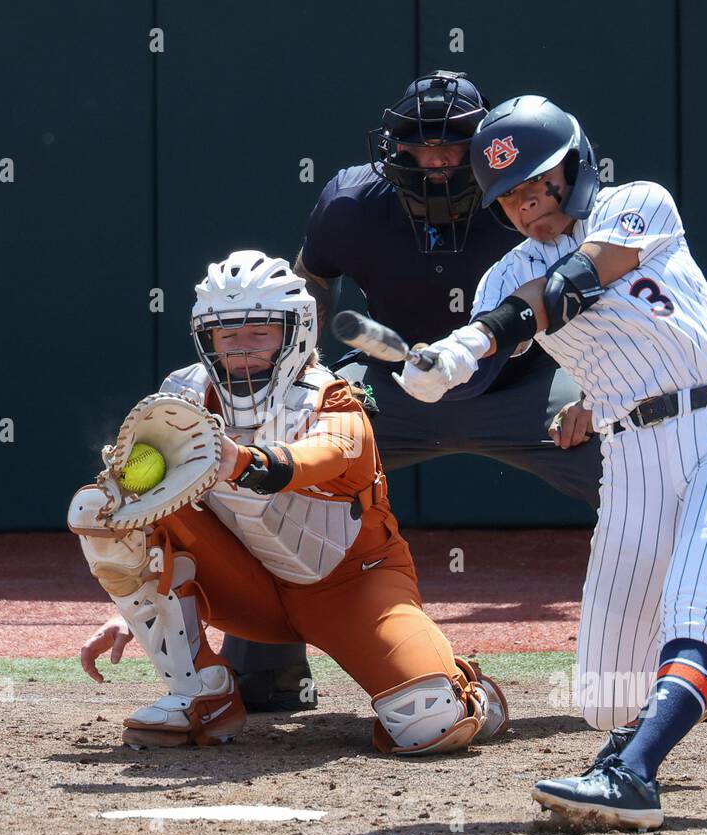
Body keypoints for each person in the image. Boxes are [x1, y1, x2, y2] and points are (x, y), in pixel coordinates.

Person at [395, 96, 707, 828]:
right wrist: (438, 367)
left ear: (574, 168)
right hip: (634, 456)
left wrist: (478, 337)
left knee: (689, 612)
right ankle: (647, 722)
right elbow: (490, 354)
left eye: (537, 183)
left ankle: (635, 776)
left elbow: (577, 282)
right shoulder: (503, 276)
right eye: (509, 194)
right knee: (607, 692)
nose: (524, 203)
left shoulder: (639, 204)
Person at [220, 70, 615, 713]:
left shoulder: (538, 199)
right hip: (392, 391)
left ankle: (684, 667)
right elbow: (312, 279)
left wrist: (601, 395)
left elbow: (610, 297)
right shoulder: (350, 203)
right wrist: (304, 378)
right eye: (417, 143)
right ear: (392, 146)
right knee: (274, 469)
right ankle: (264, 667)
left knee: (639, 467)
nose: (434, 159)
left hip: (529, 385)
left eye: (454, 144)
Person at [68, 249, 509, 755]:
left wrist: (241, 460)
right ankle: (199, 692)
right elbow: (148, 521)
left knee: (427, 723)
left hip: (350, 586)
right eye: (226, 335)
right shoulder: (182, 400)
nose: (240, 350)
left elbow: (322, 455)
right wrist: (137, 611)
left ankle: (471, 692)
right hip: (244, 585)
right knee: (101, 507)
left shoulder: (334, 397)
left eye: (259, 333)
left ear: (296, 331)